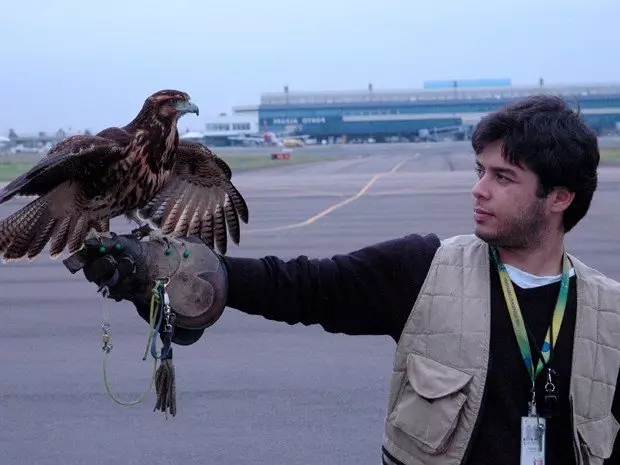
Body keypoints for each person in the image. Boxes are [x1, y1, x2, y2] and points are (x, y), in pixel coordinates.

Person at [69, 94, 620, 465]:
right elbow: (302, 287)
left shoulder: (611, 315)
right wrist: (178, 270)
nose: (478, 189)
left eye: (503, 177)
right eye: (479, 171)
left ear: (560, 198)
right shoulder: (423, 271)